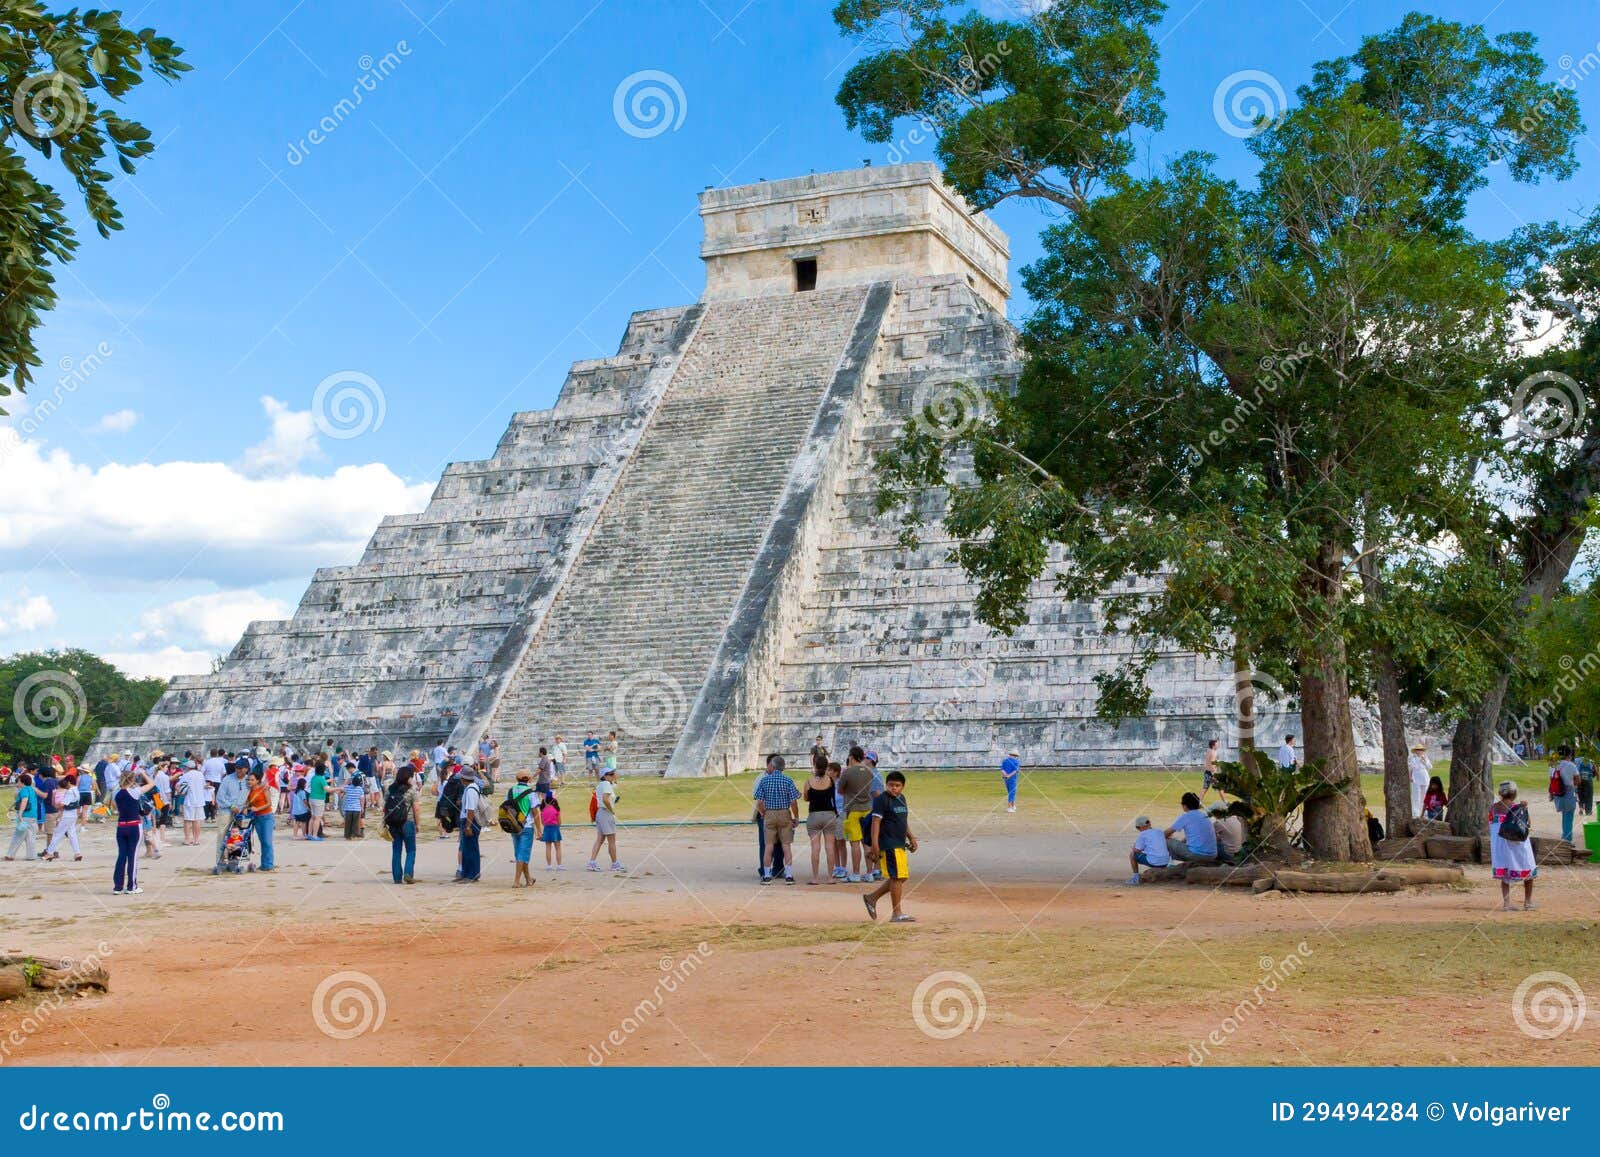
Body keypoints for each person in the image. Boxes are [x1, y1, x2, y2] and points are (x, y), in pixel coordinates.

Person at [862, 770, 917, 923]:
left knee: (901, 876)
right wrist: (875, 845)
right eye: (891, 785)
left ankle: (872, 898)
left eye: (897, 785)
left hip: (899, 843)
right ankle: (897, 913)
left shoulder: (902, 799)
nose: (894, 788)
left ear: (903, 787)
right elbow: (876, 822)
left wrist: (911, 837)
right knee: (897, 877)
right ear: (886, 785)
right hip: (888, 843)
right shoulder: (881, 800)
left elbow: (903, 821)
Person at [1489, 779, 1536, 912]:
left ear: (1500, 793)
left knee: (1505, 874)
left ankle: (1506, 903)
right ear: (1514, 793)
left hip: (1500, 844)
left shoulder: (1493, 808)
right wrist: (1524, 809)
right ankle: (1528, 902)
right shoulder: (1517, 807)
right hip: (1517, 843)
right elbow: (1528, 824)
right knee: (1528, 870)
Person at [754, 755, 800, 885]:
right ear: (783, 767)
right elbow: (794, 802)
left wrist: (763, 813)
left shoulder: (764, 780)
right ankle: (789, 875)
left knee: (769, 845)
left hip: (770, 813)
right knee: (786, 845)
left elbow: (759, 802)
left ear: (773, 766)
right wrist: (796, 817)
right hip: (784, 813)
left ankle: (766, 875)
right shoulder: (788, 780)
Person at [836, 747, 875, 883]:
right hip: (867, 808)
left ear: (851, 757)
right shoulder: (869, 772)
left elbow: (840, 790)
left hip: (853, 809)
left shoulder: (848, 772)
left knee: (855, 843)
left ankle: (856, 873)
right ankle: (869, 873)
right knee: (867, 843)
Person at [112, 768, 154, 894]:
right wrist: (142, 773)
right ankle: (132, 886)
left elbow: (116, 808)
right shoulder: (134, 792)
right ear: (132, 780)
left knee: (121, 856)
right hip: (134, 826)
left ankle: (118, 886)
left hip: (121, 826)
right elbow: (151, 784)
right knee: (133, 856)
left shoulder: (117, 794)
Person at [803, 758, 838, 885]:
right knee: (830, 847)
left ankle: (815, 877)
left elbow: (806, 798)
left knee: (815, 847)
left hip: (814, 815)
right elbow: (833, 797)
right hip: (829, 814)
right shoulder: (831, 781)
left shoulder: (809, 781)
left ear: (815, 766)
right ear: (826, 767)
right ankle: (830, 877)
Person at [384, 766, 420, 884]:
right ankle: (408, 873)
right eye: (411, 777)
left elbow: (386, 807)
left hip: (393, 823)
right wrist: (418, 824)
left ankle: (397, 878)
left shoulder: (390, 789)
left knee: (396, 850)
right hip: (407, 822)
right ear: (408, 777)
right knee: (411, 850)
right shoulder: (412, 790)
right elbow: (416, 809)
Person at [587, 766, 624, 873]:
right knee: (611, 840)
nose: (613, 776)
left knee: (600, 839)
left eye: (613, 774)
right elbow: (605, 799)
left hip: (600, 813)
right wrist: (611, 810)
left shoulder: (601, 785)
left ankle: (592, 862)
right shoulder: (606, 784)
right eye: (611, 774)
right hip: (605, 813)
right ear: (605, 776)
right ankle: (615, 864)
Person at [508, 771, 541, 888]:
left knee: (520, 854)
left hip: (514, 826)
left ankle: (528, 879)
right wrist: (539, 830)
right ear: (529, 779)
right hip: (527, 826)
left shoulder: (511, 791)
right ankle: (516, 881)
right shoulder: (531, 793)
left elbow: (508, 807)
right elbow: (535, 812)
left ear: (517, 779)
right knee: (523, 854)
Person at [1163, 792, 1218, 862]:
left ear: (1185, 806)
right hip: (1212, 855)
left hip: (1197, 855)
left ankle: (1162, 861)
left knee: (1166, 841)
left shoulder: (1186, 816)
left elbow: (1166, 833)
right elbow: (1194, 836)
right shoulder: (1203, 815)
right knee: (1178, 845)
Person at [214, 760, 250, 869]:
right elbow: (220, 797)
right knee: (222, 835)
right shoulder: (227, 779)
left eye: (240, 768)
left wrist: (246, 806)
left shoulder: (249, 780)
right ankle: (220, 861)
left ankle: (235, 859)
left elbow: (251, 796)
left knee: (240, 837)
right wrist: (231, 806)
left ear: (246, 769)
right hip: (226, 811)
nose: (238, 770)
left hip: (241, 814)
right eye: (236, 768)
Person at [42, 773, 83, 861]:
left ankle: (50, 853)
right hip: (73, 815)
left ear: (69, 782)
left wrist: (55, 805)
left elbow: (62, 804)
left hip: (67, 815)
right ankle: (77, 853)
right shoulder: (76, 790)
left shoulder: (70, 791)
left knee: (57, 833)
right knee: (72, 834)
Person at [5, 772, 40, 861]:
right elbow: (20, 800)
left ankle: (10, 855)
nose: (17, 782)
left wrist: (20, 813)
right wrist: (11, 807)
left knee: (18, 835)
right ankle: (31, 856)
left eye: (18, 781)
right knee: (30, 837)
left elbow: (24, 800)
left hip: (25, 816)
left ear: (22, 782)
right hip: (33, 816)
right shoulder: (31, 789)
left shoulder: (24, 790)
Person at [457, 768, 484, 883]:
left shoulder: (470, 790)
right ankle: (466, 873)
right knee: (467, 848)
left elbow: (471, 810)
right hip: (469, 820)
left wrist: (468, 826)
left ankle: (472, 874)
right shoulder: (471, 788)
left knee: (470, 849)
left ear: (464, 778)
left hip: (470, 821)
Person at [1125, 815, 1171, 884]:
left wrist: (1134, 847)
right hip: (1166, 862)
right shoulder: (1159, 831)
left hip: (1155, 862)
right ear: (1149, 824)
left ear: (1140, 827)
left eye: (1137, 828)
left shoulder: (1143, 834)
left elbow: (1137, 850)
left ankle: (1136, 878)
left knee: (1132, 854)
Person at [246, 769, 276, 871]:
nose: (249, 781)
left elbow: (269, 803)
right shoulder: (249, 791)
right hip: (257, 818)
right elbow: (248, 803)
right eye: (248, 779)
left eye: (252, 780)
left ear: (257, 780)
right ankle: (264, 864)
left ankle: (269, 864)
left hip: (267, 817)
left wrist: (257, 809)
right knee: (263, 841)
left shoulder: (264, 789)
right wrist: (247, 808)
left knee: (267, 841)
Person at [1552, 746, 1579, 843]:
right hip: (1569, 791)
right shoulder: (1572, 766)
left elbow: (1551, 779)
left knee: (1564, 814)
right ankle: (1567, 839)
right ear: (1569, 754)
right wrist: (1573, 785)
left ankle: (1564, 836)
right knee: (1569, 816)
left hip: (1558, 792)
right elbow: (1578, 779)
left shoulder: (1555, 765)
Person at [177, 760, 207, 845]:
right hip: (200, 800)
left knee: (187, 821)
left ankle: (187, 840)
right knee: (197, 821)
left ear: (188, 767)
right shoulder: (200, 774)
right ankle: (196, 840)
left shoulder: (186, 775)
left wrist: (180, 792)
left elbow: (178, 785)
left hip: (189, 800)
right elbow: (204, 785)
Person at [340, 771, 365, 840]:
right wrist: (362, 807)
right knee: (355, 823)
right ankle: (354, 835)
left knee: (348, 823)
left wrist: (342, 790)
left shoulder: (347, 788)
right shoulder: (360, 789)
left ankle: (347, 835)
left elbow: (341, 796)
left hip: (348, 809)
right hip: (357, 809)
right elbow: (362, 799)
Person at [541, 794, 563, 870]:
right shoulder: (556, 809)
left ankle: (549, 865)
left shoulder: (543, 810)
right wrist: (557, 826)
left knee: (548, 847)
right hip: (555, 828)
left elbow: (542, 822)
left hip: (546, 828)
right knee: (558, 847)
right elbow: (559, 822)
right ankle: (559, 865)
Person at [1408, 743, 1430, 818]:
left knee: (1424, 795)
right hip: (1416, 778)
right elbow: (1411, 768)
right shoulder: (1413, 759)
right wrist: (1410, 776)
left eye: (1421, 750)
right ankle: (1416, 813)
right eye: (1418, 750)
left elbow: (1430, 767)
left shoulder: (1425, 758)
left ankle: (1424, 812)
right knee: (1416, 796)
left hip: (1425, 778)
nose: (1419, 751)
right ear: (1416, 751)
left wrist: (1424, 761)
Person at [1200, 738, 1224, 803]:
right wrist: (1214, 774)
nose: (1218, 745)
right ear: (1213, 746)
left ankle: (1199, 802)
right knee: (1220, 788)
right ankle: (1225, 802)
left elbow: (1211, 761)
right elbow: (1212, 764)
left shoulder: (1209, 751)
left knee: (1205, 788)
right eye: (1217, 744)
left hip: (1207, 772)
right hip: (1211, 773)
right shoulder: (1213, 753)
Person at [1000, 749, 1021, 813]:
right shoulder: (1016, 762)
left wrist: (1006, 775)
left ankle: (1013, 805)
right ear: (1015, 756)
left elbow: (1002, 769)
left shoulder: (1005, 761)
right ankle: (1009, 808)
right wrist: (1009, 776)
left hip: (1006, 779)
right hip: (1012, 779)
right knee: (1012, 793)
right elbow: (1015, 771)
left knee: (1010, 792)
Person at [1578, 751, 1596, 818]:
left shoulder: (1577, 760)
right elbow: (1594, 772)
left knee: (1580, 794)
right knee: (1589, 795)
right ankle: (1588, 810)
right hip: (1588, 780)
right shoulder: (1591, 761)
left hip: (1580, 779)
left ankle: (1581, 808)